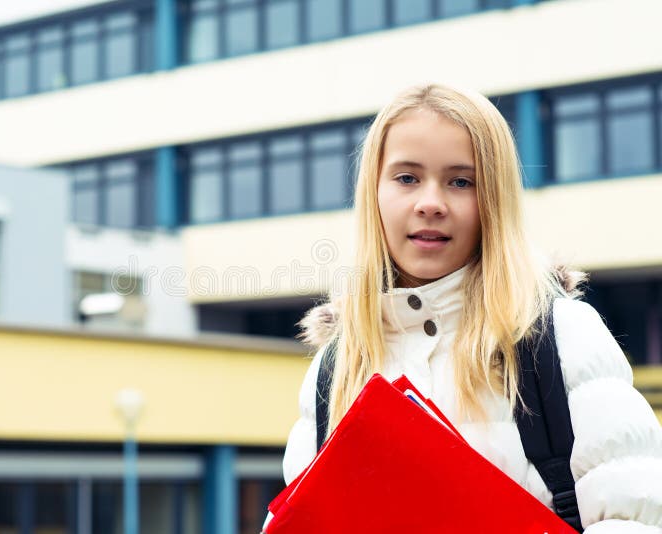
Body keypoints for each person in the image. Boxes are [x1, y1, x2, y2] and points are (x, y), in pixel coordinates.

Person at [270, 83, 662, 532]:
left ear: (493, 199)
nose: (431, 203)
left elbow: (638, 517)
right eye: (407, 178)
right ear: (373, 193)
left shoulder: (558, 336)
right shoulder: (334, 365)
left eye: (461, 181)